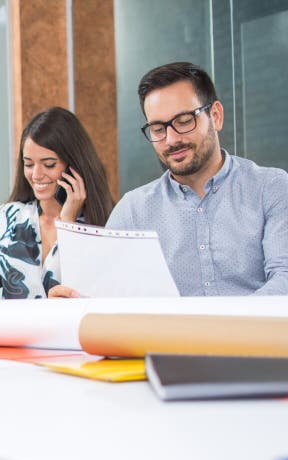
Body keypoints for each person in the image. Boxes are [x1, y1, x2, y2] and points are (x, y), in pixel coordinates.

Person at [50, 62, 288, 298]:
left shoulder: (270, 188)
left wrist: (222, 329)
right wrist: (77, 302)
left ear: (215, 116)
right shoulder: (133, 211)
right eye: (157, 129)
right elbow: (107, 296)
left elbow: (284, 279)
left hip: (255, 335)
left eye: (184, 121)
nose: (171, 139)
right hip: (165, 338)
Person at [0, 107, 115, 323]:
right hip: (14, 343)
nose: (36, 174)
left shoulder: (103, 225)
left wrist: (68, 222)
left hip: (73, 344)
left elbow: (97, 298)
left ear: (74, 166)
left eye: (49, 164)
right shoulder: (8, 217)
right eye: (29, 164)